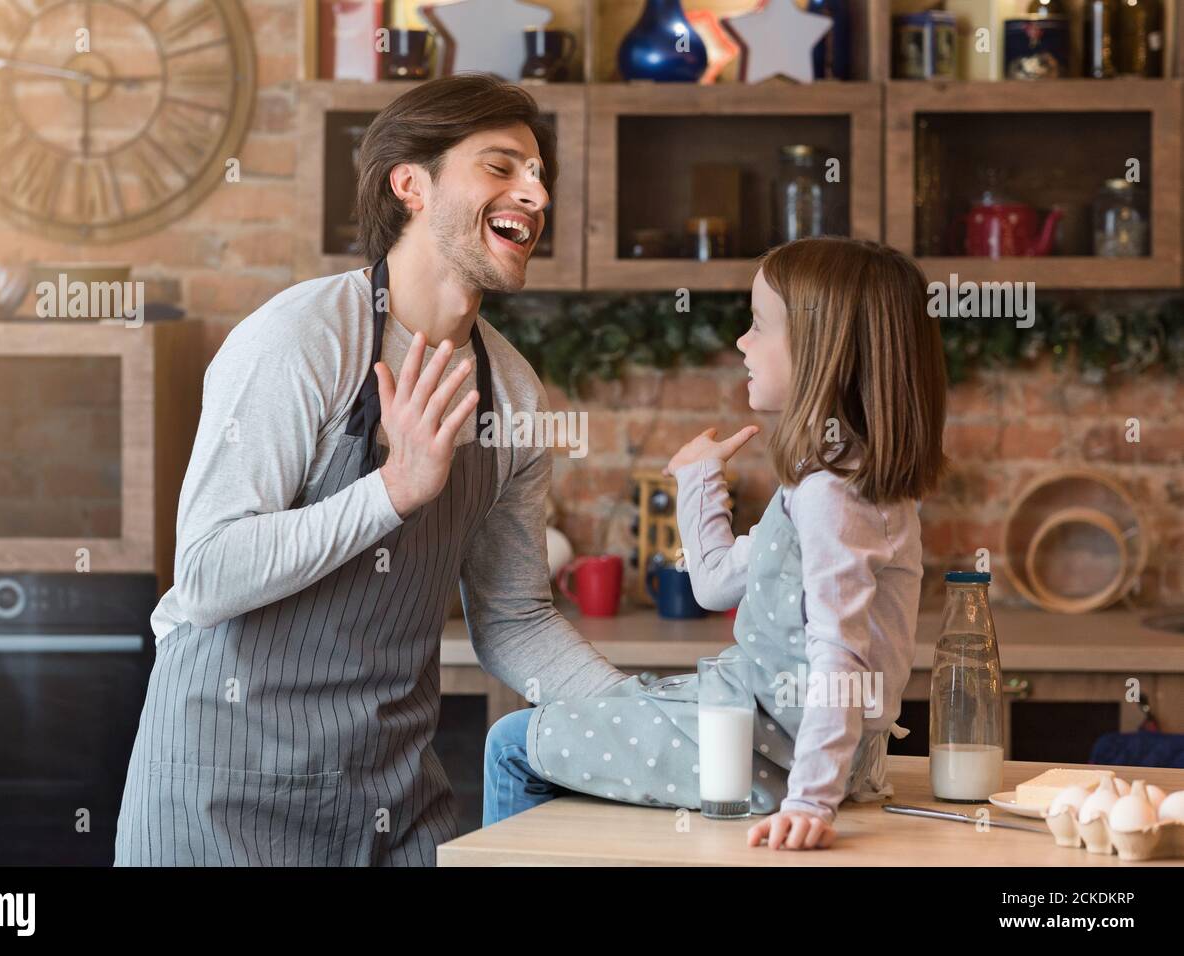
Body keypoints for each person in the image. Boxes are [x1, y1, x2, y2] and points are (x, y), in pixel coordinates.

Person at [114, 74, 631, 867]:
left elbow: (515, 623)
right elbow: (209, 571)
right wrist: (391, 493)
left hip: (387, 801)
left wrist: (649, 718)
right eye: (501, 167)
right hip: (221, 792)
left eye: (538, 175)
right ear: (410, 184)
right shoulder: (303, 338)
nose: (534, 192)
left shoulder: (515, 392)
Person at [483, 236, 949, 851]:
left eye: (758, 326)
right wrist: (699, 478)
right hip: (760, 731)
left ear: (820, 350)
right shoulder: (837, 482)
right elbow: (714, 583)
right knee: (601, 711)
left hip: (768, 751)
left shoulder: (832, 495)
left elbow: (841, 660)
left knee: (513, 743)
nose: (741, 343)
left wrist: (812, 802)